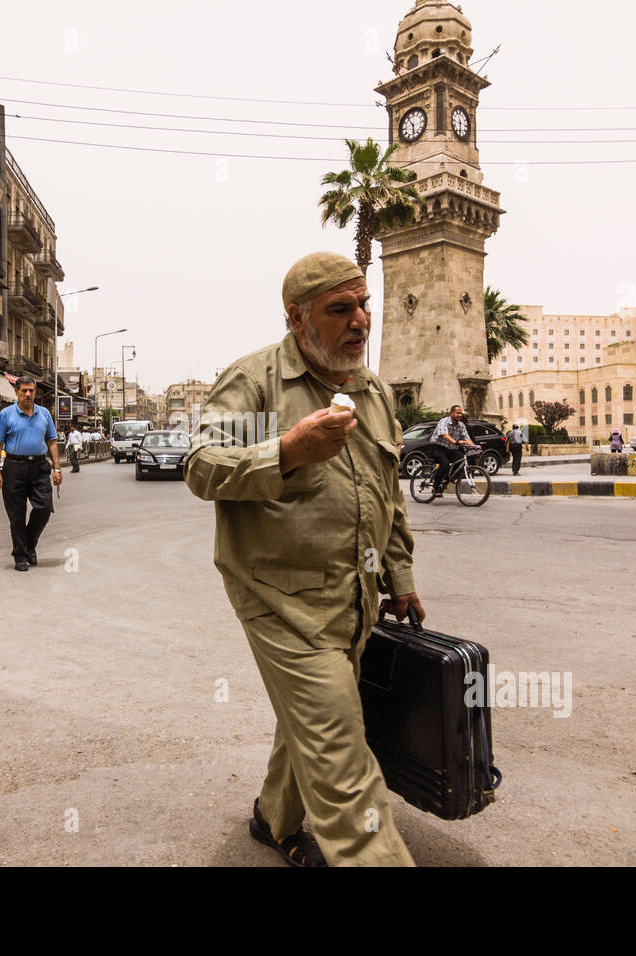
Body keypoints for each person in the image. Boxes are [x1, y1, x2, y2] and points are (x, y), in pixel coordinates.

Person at [185, 251, 425, 867]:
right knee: (342, 750)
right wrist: (288, 448)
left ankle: (276, 816)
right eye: (339, 309)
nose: (360, 322)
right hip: (280, 600)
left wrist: (399, 577)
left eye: (363, 306)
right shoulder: (258, 382)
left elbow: (387, 493)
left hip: (355, 596)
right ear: (297, 318)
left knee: (322, 717)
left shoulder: (370, 392)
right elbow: (203, 466)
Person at [0, 377, 61, 572]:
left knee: (44, 508)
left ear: (35, 392)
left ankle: (29, 545)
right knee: (17, 516)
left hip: (39, 467)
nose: (28, 394)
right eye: (24, 391)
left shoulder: (44, 414)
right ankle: (20, 555)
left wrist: (57, 468)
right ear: (16, 392)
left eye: (31, 390)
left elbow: (52, 441)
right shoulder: (6, 415)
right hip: (14, 467)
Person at [431, 404, 478, 496]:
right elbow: (445, 435)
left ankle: (448, 479)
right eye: (458, 413)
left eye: (461, 413)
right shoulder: (443, 422)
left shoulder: (461, 425)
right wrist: (456, 442)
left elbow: (466, 437)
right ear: (451, 413)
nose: (460, 415)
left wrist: (474, 446)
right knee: (444, 464)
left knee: (462, 462)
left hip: (451, 449)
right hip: (438, 448)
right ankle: (435, 486)